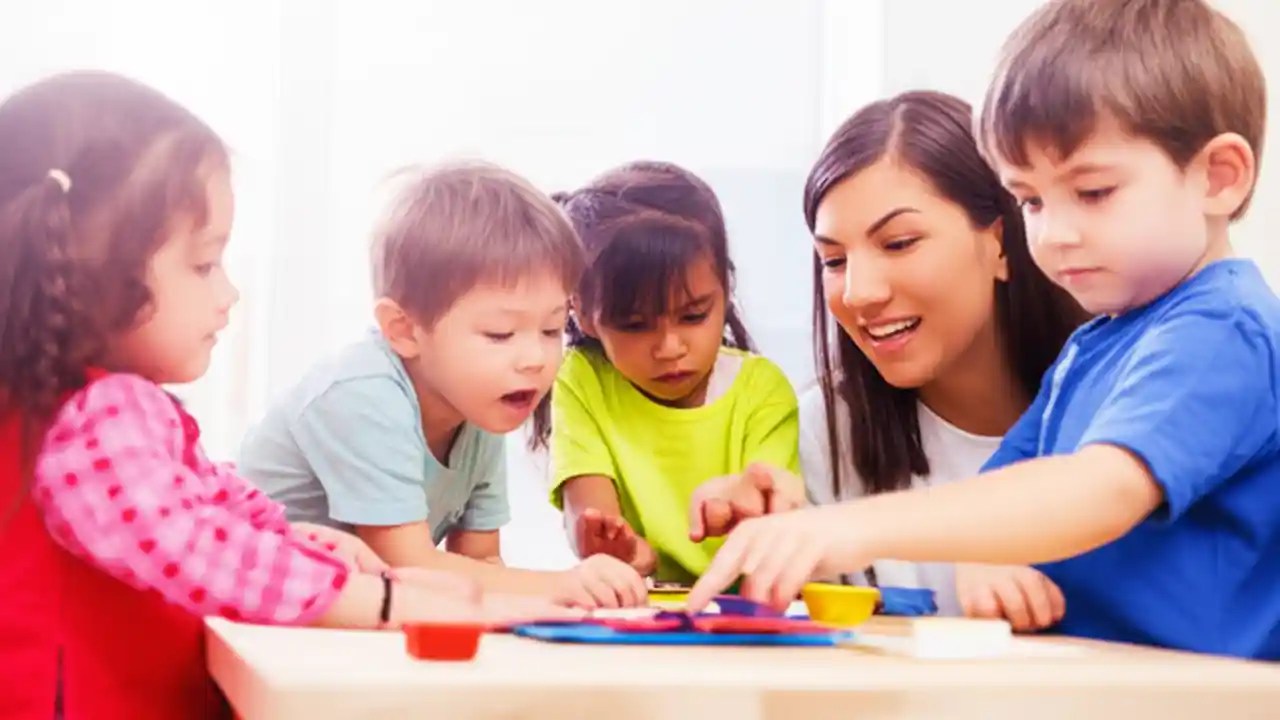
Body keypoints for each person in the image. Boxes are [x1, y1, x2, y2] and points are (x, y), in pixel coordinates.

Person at [688, 0, 1280, 660]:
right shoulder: (1095, 346)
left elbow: (1102, 489)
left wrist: (846, 528)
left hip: (1205, 695)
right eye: (1031, 200)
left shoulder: (1224, 329)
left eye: (1093, 193)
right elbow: (998, 493)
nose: (1054, 234)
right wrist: (981, 557)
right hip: (1101, 683)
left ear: (1218, 178)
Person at [548, 161, 799, 584]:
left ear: (726, 289)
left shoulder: (762, 390)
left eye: (694, 315)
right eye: (634, 325)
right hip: (645, 605)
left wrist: (747, 506)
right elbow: (587, 514)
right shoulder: (582, 380)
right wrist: (617, 546)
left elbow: (777, 523)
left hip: (750, 604)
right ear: (583, 313)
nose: (669, 348)